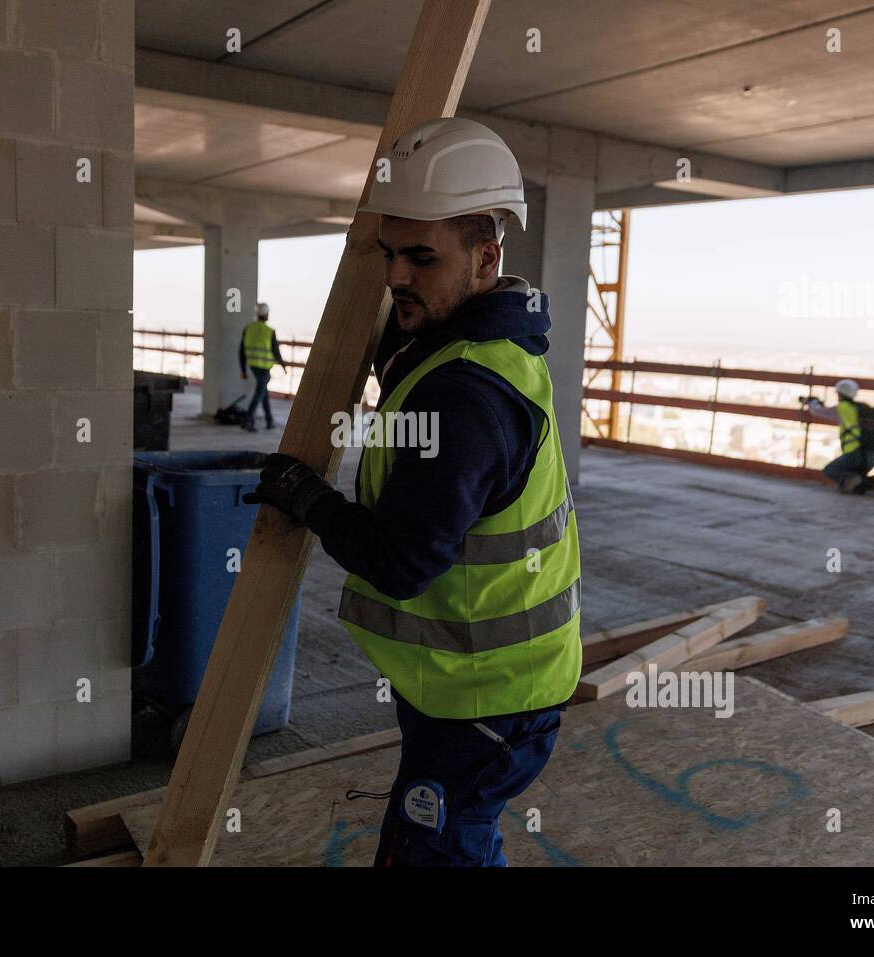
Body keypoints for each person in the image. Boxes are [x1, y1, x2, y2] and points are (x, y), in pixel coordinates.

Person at [242, 117, 582, 866]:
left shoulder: (463, 395)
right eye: (390, 253)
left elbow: (399, 563)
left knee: (429, 855)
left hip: (488, 695)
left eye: (422, 258)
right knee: (449, 841)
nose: (396, 276)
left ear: (487, 258)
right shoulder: (476, 346)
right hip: (481, 681)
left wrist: (312, 500)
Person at [805, 378, 874, 495]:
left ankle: (858, 480)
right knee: (853, 484)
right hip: (871, 457)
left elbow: (818, 412)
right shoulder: (860, 408)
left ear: (839, 393)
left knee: (830, 470)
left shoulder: (843, 408)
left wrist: (812, 403)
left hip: (854, 456)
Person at [238, 302, 286, 431]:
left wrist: (243, 370)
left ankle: (269, 420)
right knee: (260, 392)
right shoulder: (269, 331)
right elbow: (276, 350)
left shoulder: (248, 328)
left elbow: (241, 351)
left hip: (253, 366)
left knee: (263, 391)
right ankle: (247, 419)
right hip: (265, 367)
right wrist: (283, 365)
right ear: (267, 314)